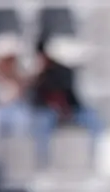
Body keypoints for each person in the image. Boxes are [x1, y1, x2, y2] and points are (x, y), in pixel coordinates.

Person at [30, 36, 101, 166]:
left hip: (72, 110)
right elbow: (37, 99)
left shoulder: (64, 71)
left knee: (94, 120)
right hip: (49, 112)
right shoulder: (38, 76)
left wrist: (67, 110)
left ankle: (94, 158)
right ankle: (43, 161)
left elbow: (72, 96)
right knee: (42, 123)